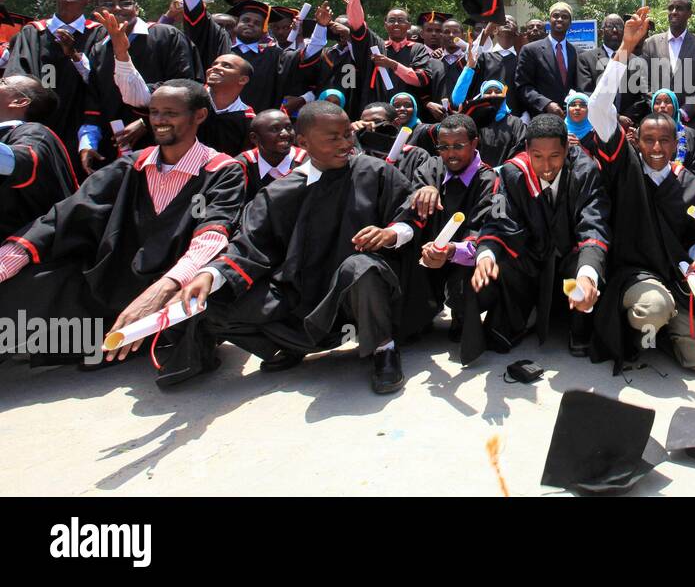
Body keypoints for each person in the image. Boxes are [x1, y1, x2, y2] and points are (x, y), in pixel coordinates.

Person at [158, 100, 417, 394]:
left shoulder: (375, 171)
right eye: (333, 138)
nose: (345, 143)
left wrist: (390, 233)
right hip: (298, 294)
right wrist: (210, 275)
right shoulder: (279, 192)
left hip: (359, 296)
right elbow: (249, 245)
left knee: (361, 267)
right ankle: (281, 347)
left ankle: (384, 348)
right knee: (214, 302)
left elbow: (409, 215)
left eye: (347, 134)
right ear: (303, 142)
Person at [0, 80, 245, 367]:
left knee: (197, 308)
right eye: (154, 113)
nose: (160, 121)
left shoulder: (222, 171)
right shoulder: (129, 166)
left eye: (170, 113)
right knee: (27, 287)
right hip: (115, 281)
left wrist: (163, 288)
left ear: (199, 115)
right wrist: (7, 262)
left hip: (175, 284)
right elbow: (65, 216)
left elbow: (213, 234)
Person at [586, 7, 695, 372]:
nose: (658, 148)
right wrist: (625, 50)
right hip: (635, 277)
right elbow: (599, 110)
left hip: (676, 279)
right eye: (649, 140)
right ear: (637, 141)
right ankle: (645, 326)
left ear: (676, 140)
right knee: (654, 309)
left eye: (665, 140)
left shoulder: (688, 181)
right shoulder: (625, 167)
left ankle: (664, 335)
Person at [466, 114, 611, 365]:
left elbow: (593, 223)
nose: (546, 167)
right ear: (526, 150)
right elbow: (497, 222)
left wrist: (587, 275)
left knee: (586, 265)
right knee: (500, 261)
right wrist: (485, 256)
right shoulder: (513, 174)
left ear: (567, 148)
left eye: (555, 156)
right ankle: (519, 319)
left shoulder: (585, 170)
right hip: (532, 257)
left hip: (568, 257)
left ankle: (579, 325)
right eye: (538, 156)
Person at [398, 113, 497, 343]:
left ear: (474, 143)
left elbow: (482, 229)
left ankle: (461, 315)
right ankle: (423, 313)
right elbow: (412, 204)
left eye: (458, 146)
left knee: (469, 272)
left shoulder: (488, 179)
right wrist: (424, 190)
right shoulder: (432, 167)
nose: (450, 153)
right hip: (428, 253)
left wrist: (452, 251)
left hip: (462, 257)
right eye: (443, 146)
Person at [80, 0, 194, 169]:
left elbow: (185, 85)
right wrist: (88, 142)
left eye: (125, 3)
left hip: (159, 139)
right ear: (96, 12)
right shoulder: (99, 47)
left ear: (137, 8)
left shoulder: (166, 35)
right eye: (108, 4)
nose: (117, 8)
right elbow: (94, 98)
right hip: (112, 144)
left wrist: (146, 121)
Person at [3, 0, 98, 162]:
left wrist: (73, 55)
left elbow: (100, 81)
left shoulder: (98, 33)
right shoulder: (32, 32)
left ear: (89, 0)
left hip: (78, 120)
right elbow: (16, 78)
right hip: (33, 123)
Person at [179, 0, 285, 113]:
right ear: (237, 23)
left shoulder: (275, 56)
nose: (250, 24)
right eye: (246, 20)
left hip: (251, 125)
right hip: (210, 118)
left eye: (256, 23)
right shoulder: (220, 43)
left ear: (264, 29)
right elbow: (197, 12)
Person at [0, 76, 79, 237]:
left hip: (27, 254)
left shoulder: (35, 133)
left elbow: (21, 161)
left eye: (3, 82)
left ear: (20, 102)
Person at [640, 0, 695, 112]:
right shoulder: (651, 43)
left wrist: (684, 112)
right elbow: (644, 82)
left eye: (679, 8)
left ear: (689, 14)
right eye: (671, 8)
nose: (674, 12)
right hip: (657, 118)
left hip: (689, 119)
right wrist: (659, 107)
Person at [514, 3, 579, 117]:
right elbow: (523, 86)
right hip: (541, 116)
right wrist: (546, 104)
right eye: (556, 15)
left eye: (564, 17)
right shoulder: (531, 50)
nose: (559, 19)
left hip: (572, 118)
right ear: (549, 20)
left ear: (570, 23)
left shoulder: (577, 52)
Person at [237, 109, 308, 204]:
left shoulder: (308, 162)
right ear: (254, 138)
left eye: (288, 127)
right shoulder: (241, 166)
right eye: (274, 129)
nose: (285, 134)